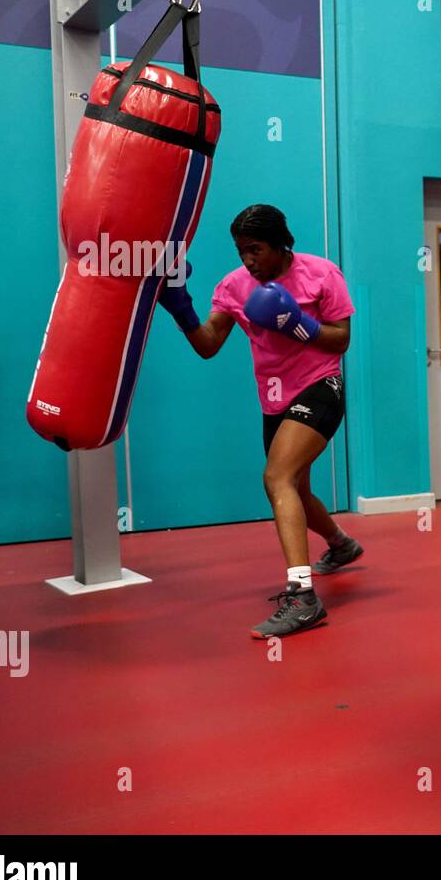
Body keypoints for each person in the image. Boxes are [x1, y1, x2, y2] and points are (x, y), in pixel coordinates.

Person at [156, 205, 363, 639]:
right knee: (297, 489)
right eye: (241, 251)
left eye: (256, 249)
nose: (248, 260)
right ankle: (342, 544)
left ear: (281, 243)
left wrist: (298, 325)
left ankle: (303, 597)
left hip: (321, 387)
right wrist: (181, 308)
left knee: (277, 478)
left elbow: (340, 339)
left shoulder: (321, 274)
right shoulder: (234, 286)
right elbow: (208, 345)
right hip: (275, 399)